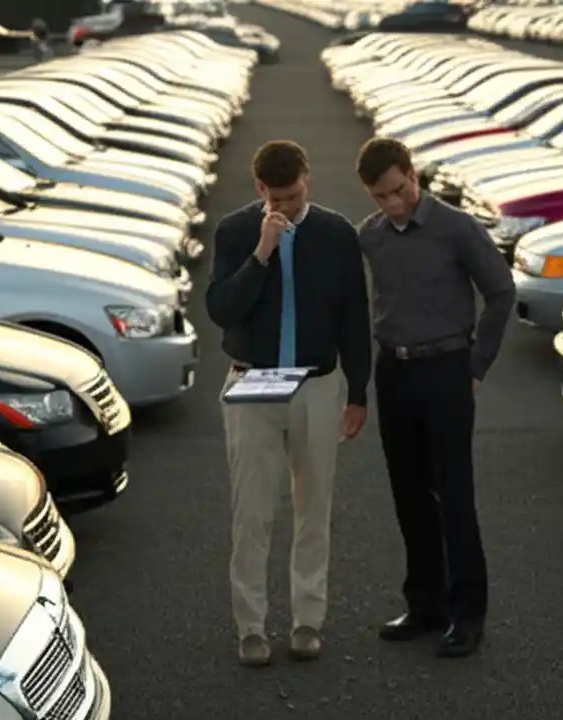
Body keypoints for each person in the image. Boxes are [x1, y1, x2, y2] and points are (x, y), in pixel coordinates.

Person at [207, 140, 372, 667]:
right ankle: (251, 628)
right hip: (251, 384)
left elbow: (354, 317)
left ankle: (307, 621)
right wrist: (262, 251)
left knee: (313, 508)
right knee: (252, 513)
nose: (289, 205)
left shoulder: (337, 234)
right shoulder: (236, 233)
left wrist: (359, 393)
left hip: (316, 385)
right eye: (278, 197)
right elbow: (221, 309)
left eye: (296, 194)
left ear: (309, 180)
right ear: (260, 190)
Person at [354, 137, 515, 659]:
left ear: (413, 175)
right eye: (382, 196)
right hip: (393, 372)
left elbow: (500, 290)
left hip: (448, 370)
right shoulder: (372, 236)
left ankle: (468, 614)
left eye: (400, 190)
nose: (394, 203)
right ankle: (425, 606)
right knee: (408, 493)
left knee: (455, 496)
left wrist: (476, 366)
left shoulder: (456, 226)